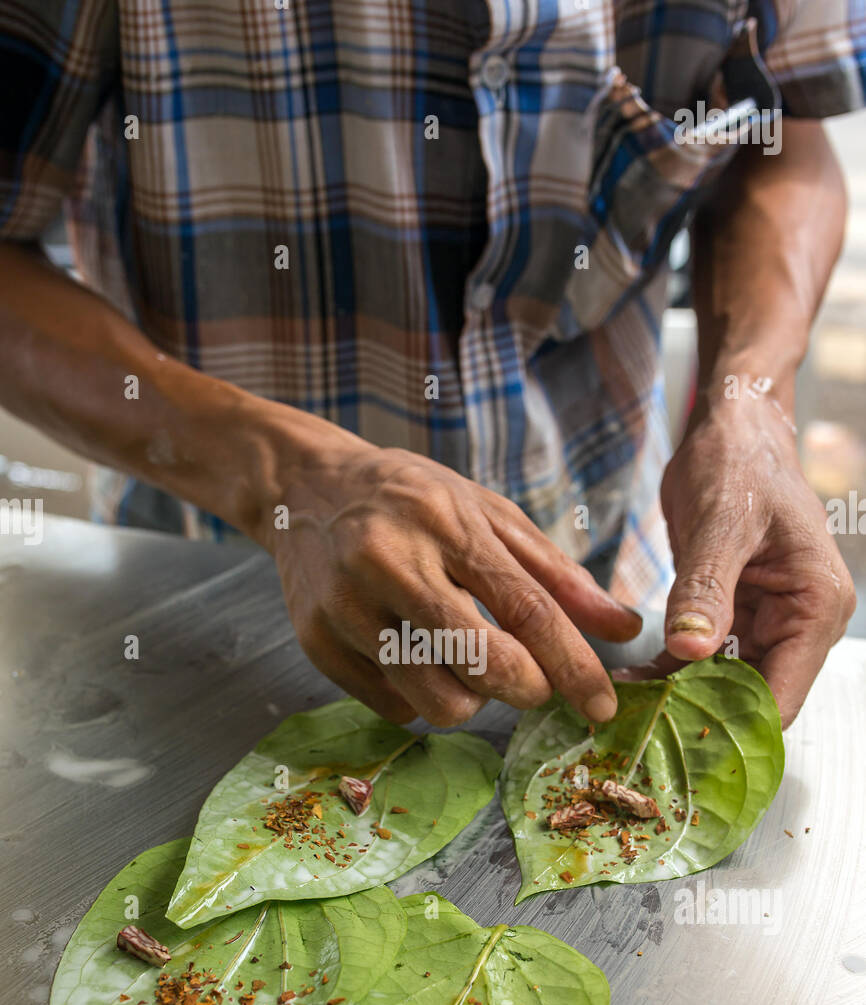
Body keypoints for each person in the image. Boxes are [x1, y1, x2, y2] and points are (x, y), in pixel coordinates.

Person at [0, 1, 859, 729]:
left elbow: (780, 145)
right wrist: (285, 475)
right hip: (212, 610)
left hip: (616, 594)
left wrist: (749, 407)